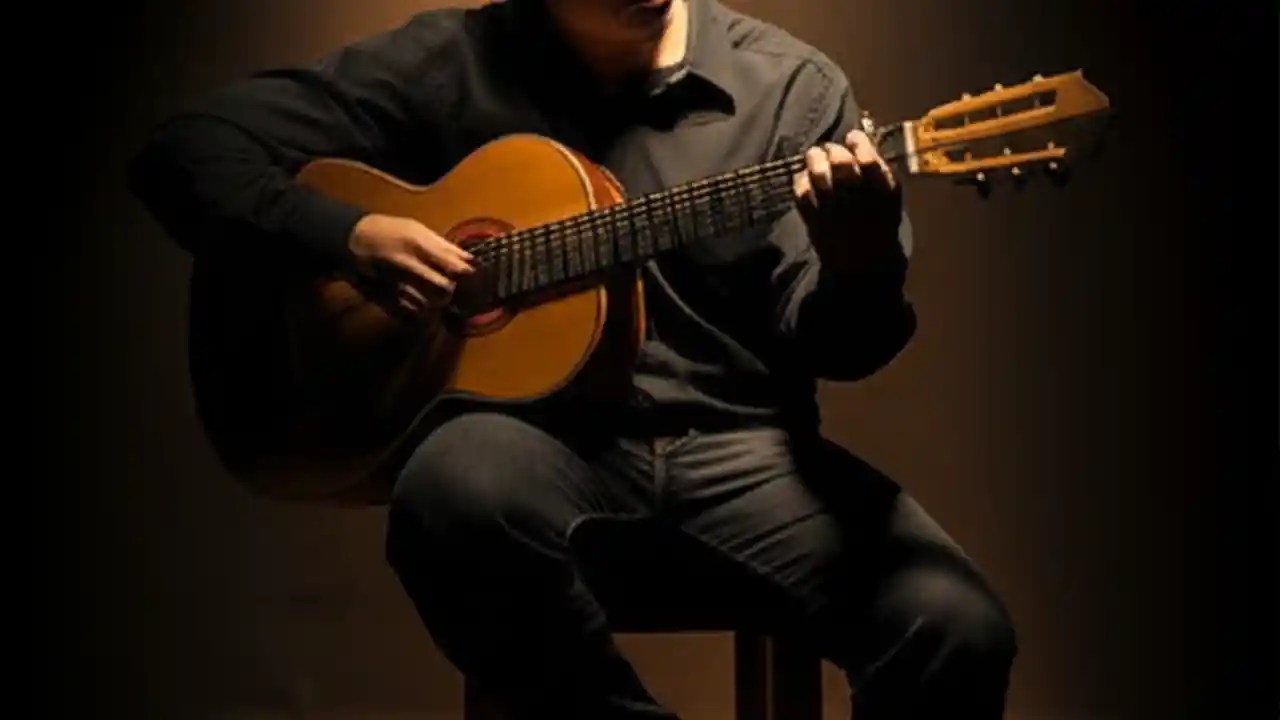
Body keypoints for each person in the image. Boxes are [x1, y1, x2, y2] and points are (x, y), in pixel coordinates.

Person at [128, 0, 1018, 717]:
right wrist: (347, 234)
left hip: (743, 452)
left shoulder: (788, 88)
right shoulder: (453, 60)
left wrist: (863, 261)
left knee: (954, 623)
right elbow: (186, 153)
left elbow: (841, 346)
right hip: (533, 448)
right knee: (453, 490)